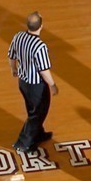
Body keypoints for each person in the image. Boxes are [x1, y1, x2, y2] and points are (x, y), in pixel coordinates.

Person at [8, 12, 59, 154]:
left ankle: (38, 133)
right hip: (36, 86)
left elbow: (11, 55)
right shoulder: (40, 46)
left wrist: (13, 69)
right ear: (41, 26)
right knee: (38, 113)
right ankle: (23, 143)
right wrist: (52, 85)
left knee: (33, 110)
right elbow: (44, 70)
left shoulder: (18, 36)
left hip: (23, 83)